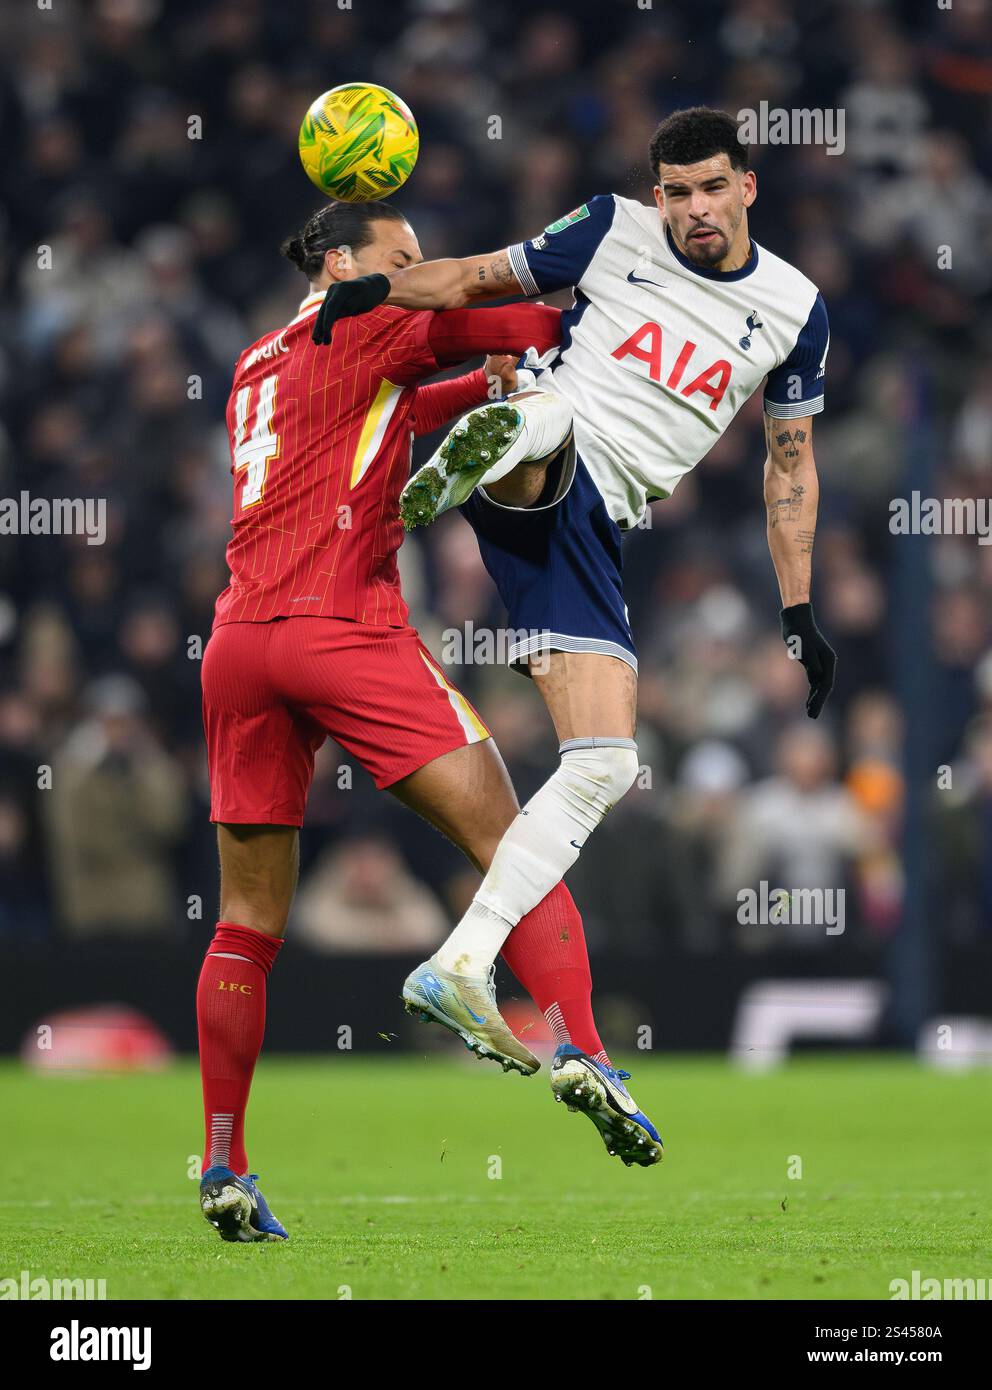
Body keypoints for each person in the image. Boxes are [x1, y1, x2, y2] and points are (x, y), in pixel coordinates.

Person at [311, 103, 837, 1099]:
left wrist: (797, 610)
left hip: (585, 536)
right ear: (656, 195)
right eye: (675, 192)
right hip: (557, 461)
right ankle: (512, 430)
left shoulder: (793, 310)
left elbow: (789, 469)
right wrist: (377, 288)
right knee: (551, 408)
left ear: (745, 188)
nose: (692, 209)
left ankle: (461, 960)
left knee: (602, 764)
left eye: (710, 188)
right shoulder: (608, 229)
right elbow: (471, 276)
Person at [198, 201, 662, 1245]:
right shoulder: (370, 315)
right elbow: (504, 318)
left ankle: (222, 1162)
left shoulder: (252, 363)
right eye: (399, 259)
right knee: (514, 843)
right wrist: (597, 306)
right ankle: (583, 1049)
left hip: (236, 647)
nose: (419, 272)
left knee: (243, 925)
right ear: (339, 261)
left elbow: (386, 417)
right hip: (340, 625)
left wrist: (477, 397)